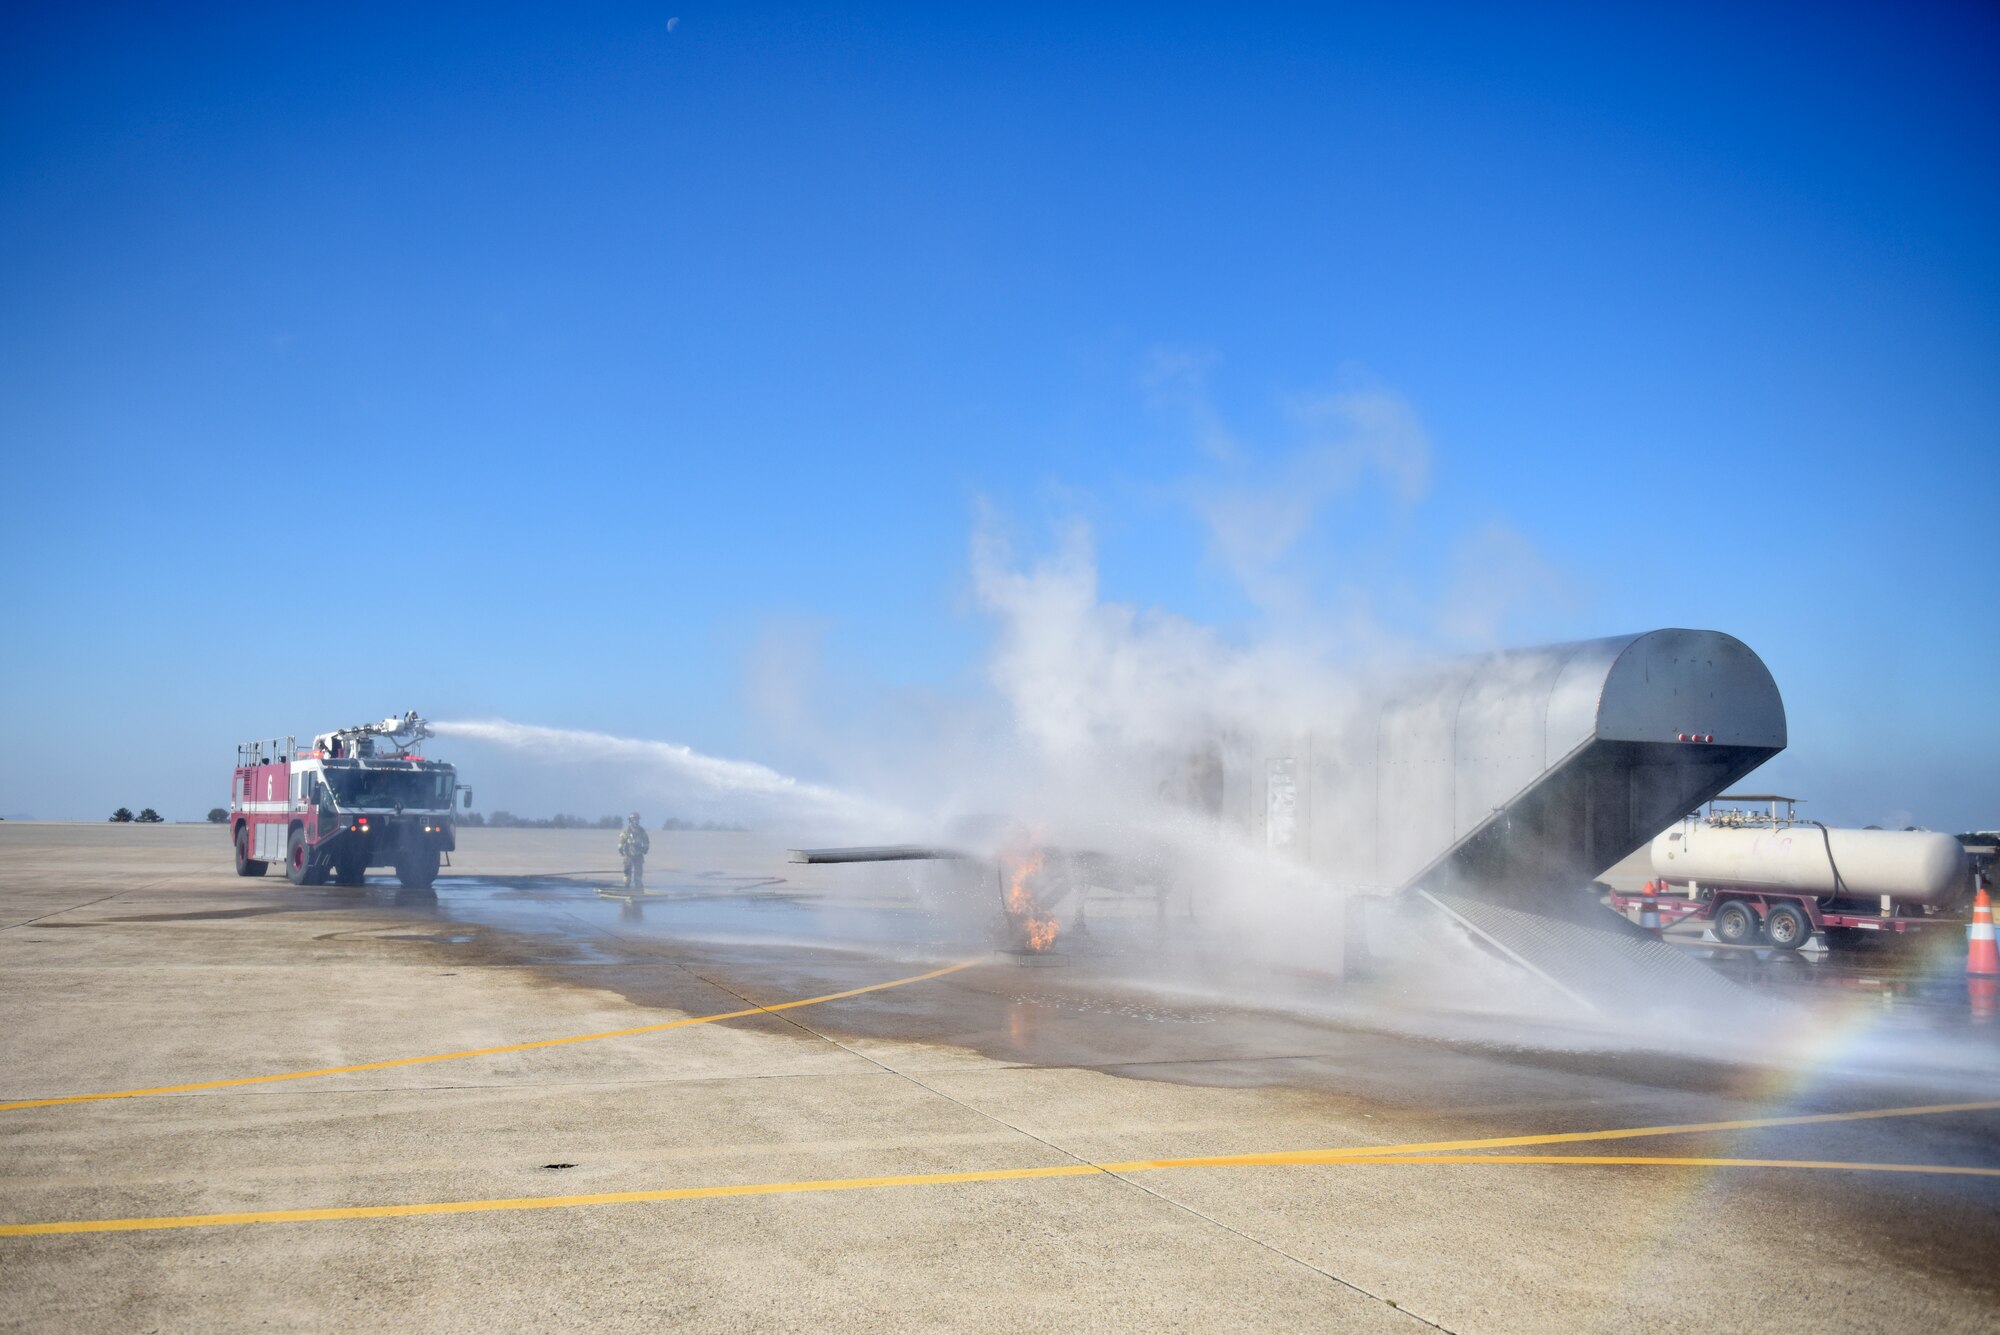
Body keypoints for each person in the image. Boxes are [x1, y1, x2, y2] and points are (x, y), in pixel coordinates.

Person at [618, 813, 650, 890]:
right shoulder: (626, 831)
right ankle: (626, 886)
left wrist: (645, 848)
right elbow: (621, 841)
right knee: (627, 871)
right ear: (630, 820)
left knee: (638, 872)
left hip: (638, 854)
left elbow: (646, 841)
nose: (635, 821)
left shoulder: (642, 831)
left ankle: (638, 886)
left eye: (637, 819)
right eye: (633, 819)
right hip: (629, 854)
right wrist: (620, 848)